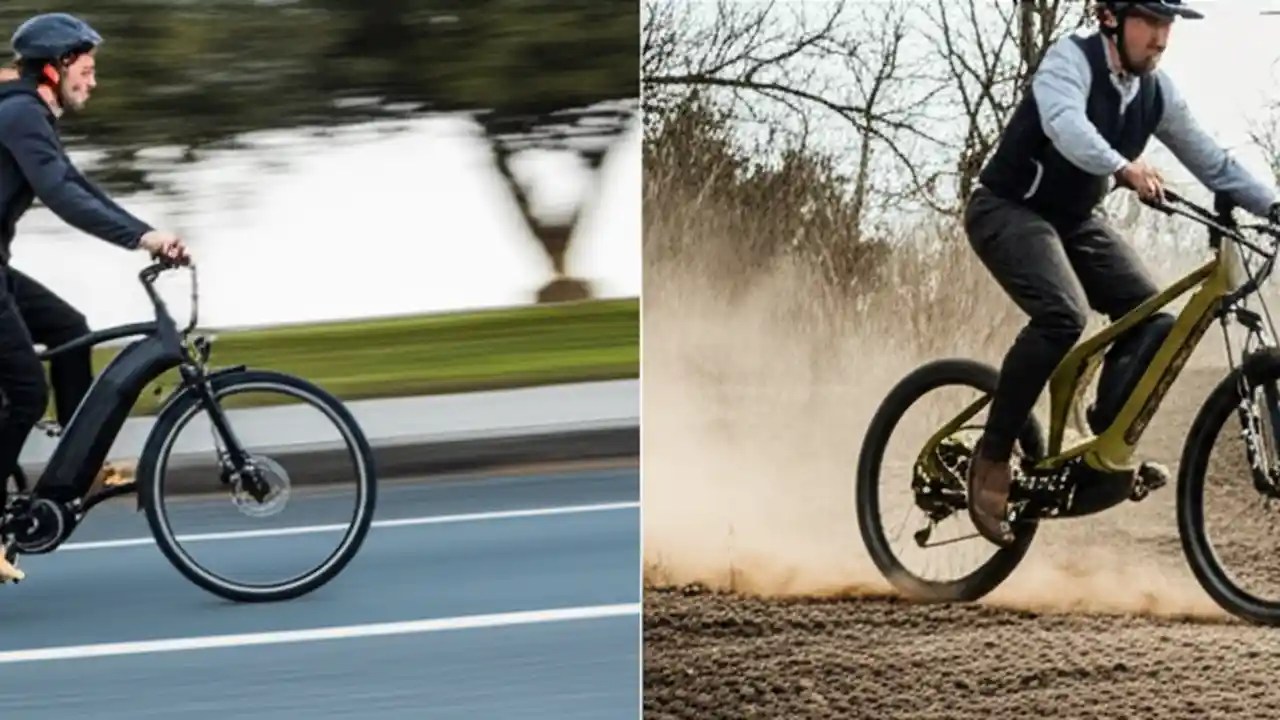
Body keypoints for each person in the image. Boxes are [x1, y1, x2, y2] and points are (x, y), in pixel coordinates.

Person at [963, 0, 1280, 546]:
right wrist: (1123, 167)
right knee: (1063, 316)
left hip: (1074, 219)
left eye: (1168, 26)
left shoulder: (1156, 93)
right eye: (1151, 23)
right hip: (1009, 209)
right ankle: (991, 458)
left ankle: (1100, 448)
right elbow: (1065, 126)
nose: (1161, 38)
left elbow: (1214, 163)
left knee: (1154, 319)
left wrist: (1273, 207)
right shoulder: (1070, 61)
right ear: (1111, 17)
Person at [0, 13, 190, 582]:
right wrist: (142, 237)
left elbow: (77, 186)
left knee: (68, 326)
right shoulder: (19, 114)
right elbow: (62, 195)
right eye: (86, 69)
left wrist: (143, 231)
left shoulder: (24, 112)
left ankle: (77, 469)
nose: (94, 81)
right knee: (26, 389)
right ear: (56, 67)